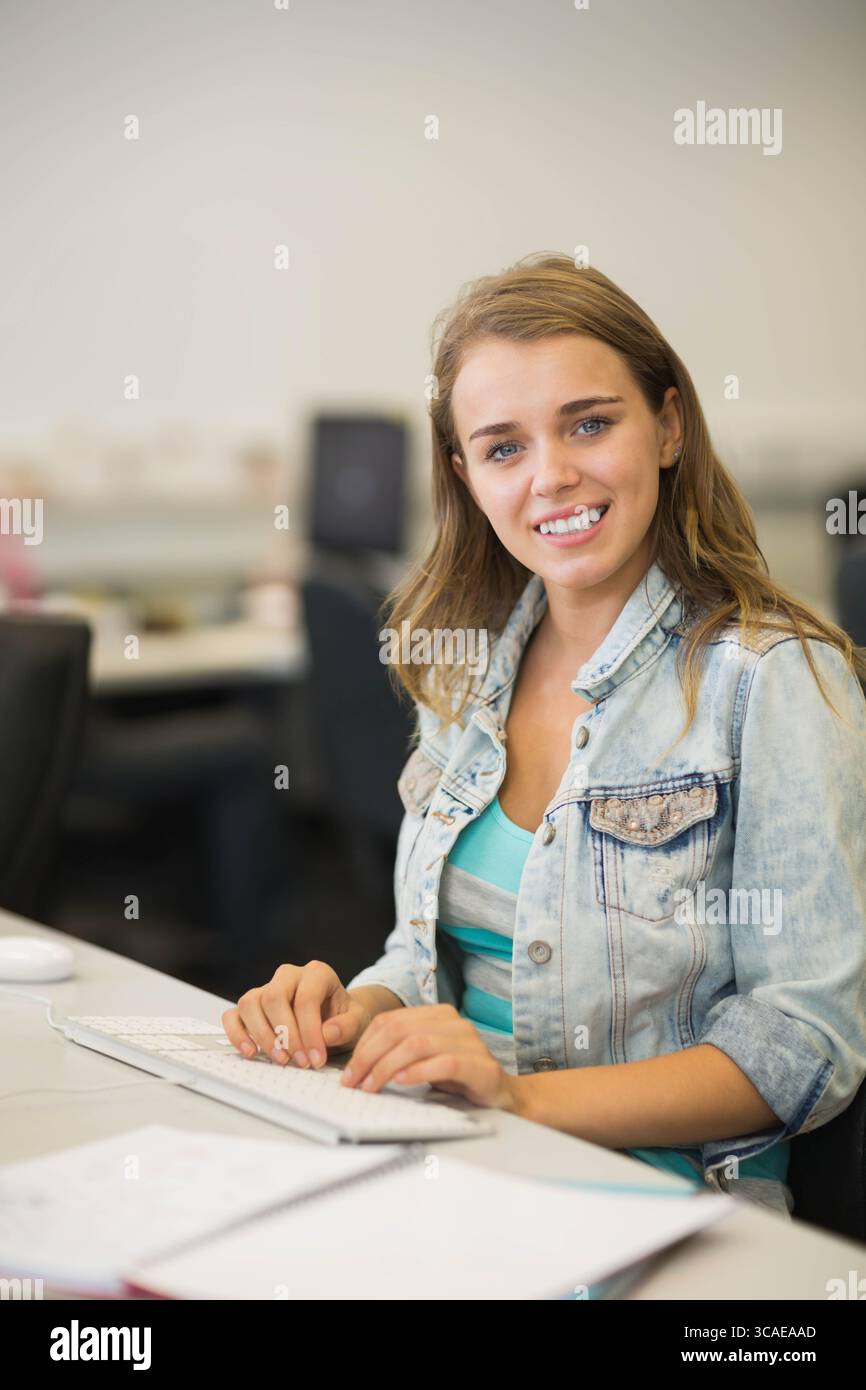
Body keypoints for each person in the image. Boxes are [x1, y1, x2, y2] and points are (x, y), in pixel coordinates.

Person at [222, 253, 866, 1219]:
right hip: (445, 1152)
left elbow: (805, 1044)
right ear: (466, 476)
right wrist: (358, 1011)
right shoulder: (466, 668)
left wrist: (519, 1099)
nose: (552, 476)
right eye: (503, 447)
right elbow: (423, 951)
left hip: (653, 1202)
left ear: (669, 425)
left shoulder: (775, 678)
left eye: (591, 423)